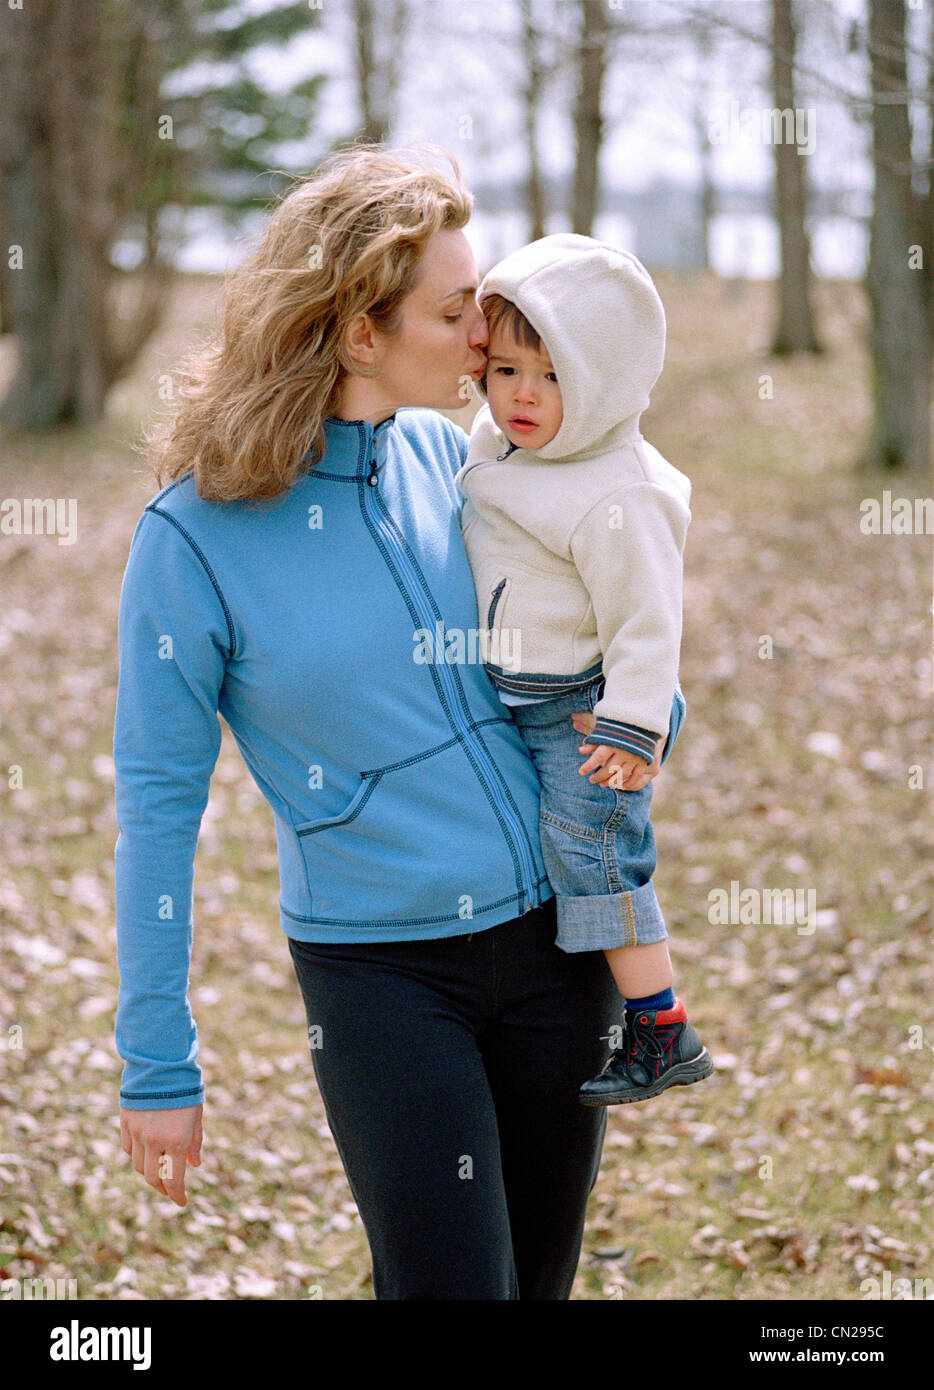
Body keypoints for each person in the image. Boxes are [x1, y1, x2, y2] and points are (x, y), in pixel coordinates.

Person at [112, 143, 671, 1301]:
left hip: (557, 955)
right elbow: (159, 808)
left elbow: (584, 633)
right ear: (361, 330)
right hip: (382, 978)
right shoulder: (194, 539)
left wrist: (643, 706)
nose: (488, 337)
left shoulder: (462, 462)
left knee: (536, 1284)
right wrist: (156, 1063)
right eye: (459, 309)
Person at [454, 233, 712, 1106]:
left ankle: (660, 1027)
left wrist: (634, 726)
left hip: (585, 710)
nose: (525, 395)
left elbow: (649, 619)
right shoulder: (499, 441)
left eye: (555, 378)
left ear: (600, 384)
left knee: (594, 852)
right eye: (509, 369)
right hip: (513, 691)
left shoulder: (620, 491)